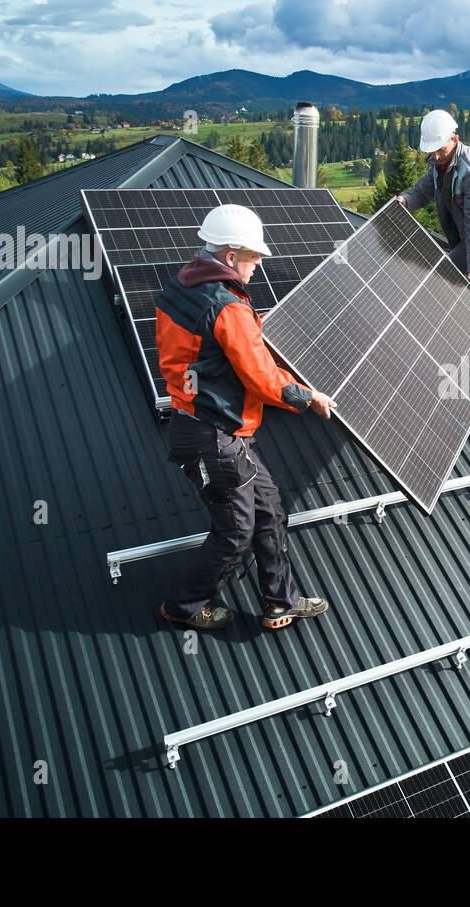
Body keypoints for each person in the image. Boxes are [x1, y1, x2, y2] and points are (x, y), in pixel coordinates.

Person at [154, 203, 336, 632]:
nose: (258, 265)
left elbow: (205, 349)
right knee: (236, 531)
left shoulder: (182, 284)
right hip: (210, 437)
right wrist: (307, 397)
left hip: (218, 432)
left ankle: (279, 602)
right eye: (255, 257)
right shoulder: (228, 306)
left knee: (269, 511)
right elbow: (260, 378)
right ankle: (184, 606)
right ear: (231, 255)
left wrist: (248, 330)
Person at [396, 108, 470, 302]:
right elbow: (420, 192)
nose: (435, 156)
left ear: (454, 139)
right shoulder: (440, 166)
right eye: (431, 151)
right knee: (439, 282)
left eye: (440, 149)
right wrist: (404, 200)